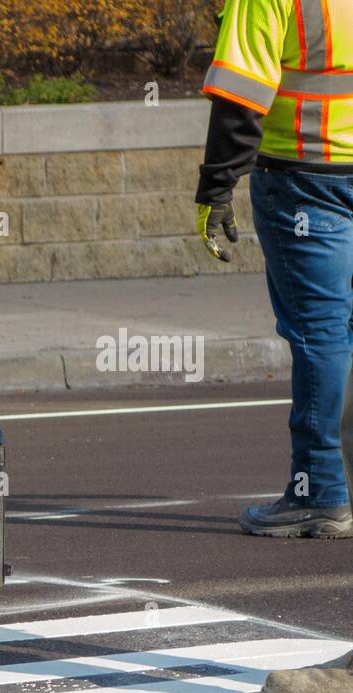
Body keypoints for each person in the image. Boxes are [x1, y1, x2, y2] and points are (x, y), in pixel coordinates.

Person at [197, 0, 353, 539]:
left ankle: (321, 492)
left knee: (321, 335)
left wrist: (216, 187)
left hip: (305, 180)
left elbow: (241, 97)